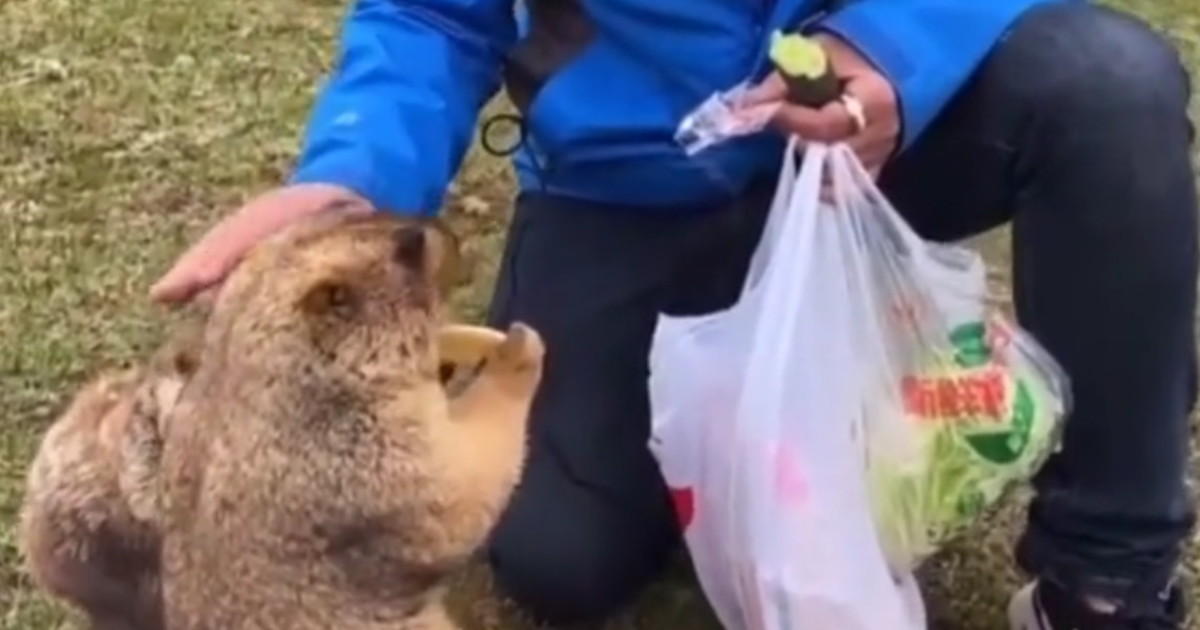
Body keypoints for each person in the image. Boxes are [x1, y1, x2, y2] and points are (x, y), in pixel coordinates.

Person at [150, 0, 1198, 627]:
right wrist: (357, 177)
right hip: (630, 184)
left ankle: (1101, 575)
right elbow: (431, 13)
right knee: (561, 557)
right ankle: (792, 401)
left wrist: (890, 49)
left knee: (1108, 89)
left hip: (873, 137)